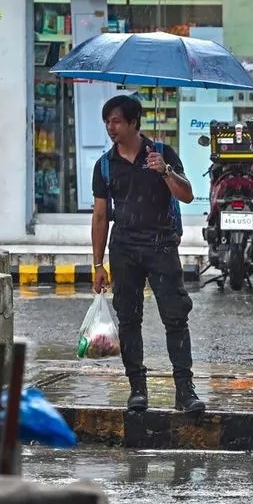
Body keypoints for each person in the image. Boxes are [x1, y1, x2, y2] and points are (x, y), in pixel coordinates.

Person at [90, 94, 205, 414]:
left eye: (116, 121)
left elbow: (187, 194)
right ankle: (137, 388)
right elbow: (100, 216)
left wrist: (165, 171)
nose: (110, 128)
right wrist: (98, 264)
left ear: (133, 122)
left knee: (176, 317)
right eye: (107, 122)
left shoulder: (162, 154)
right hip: (124, 248)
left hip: (161, 245)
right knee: (129, 319)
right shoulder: (104, 166)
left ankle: (185, 390)